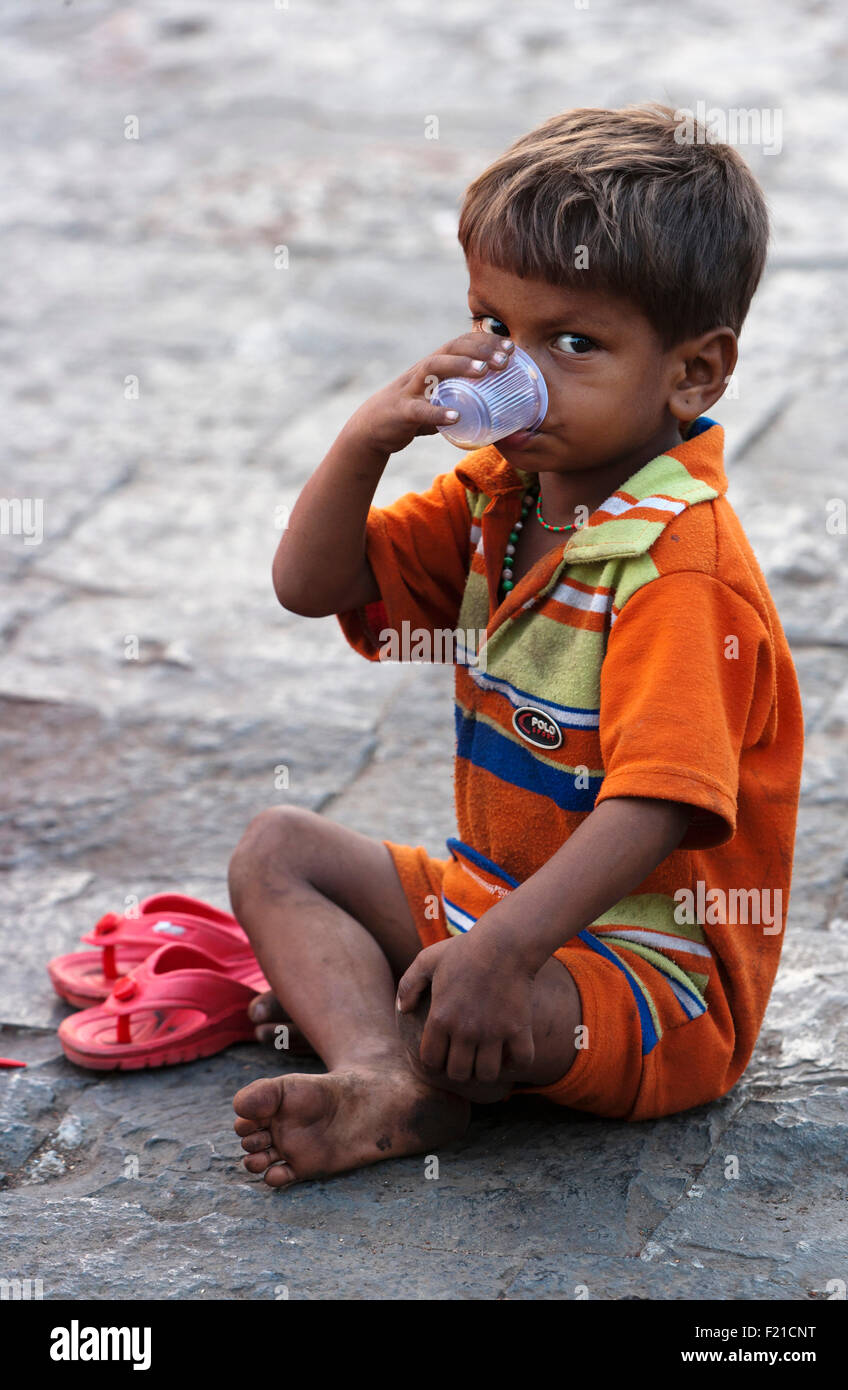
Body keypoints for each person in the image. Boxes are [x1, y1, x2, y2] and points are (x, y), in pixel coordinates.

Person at [229, 104, 803, 1187]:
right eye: (494, 325)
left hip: (650, 979)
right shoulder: (501, 493)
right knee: (276, 849)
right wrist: (364, 437)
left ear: (693, 373)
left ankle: (427, 1036)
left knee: (494, 1008)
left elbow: (661, 801)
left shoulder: (676, 567)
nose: (513, 373)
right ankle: (382, 1072)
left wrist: (498, 954)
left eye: (571, 343)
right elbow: (309, 587)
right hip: (491, 901)